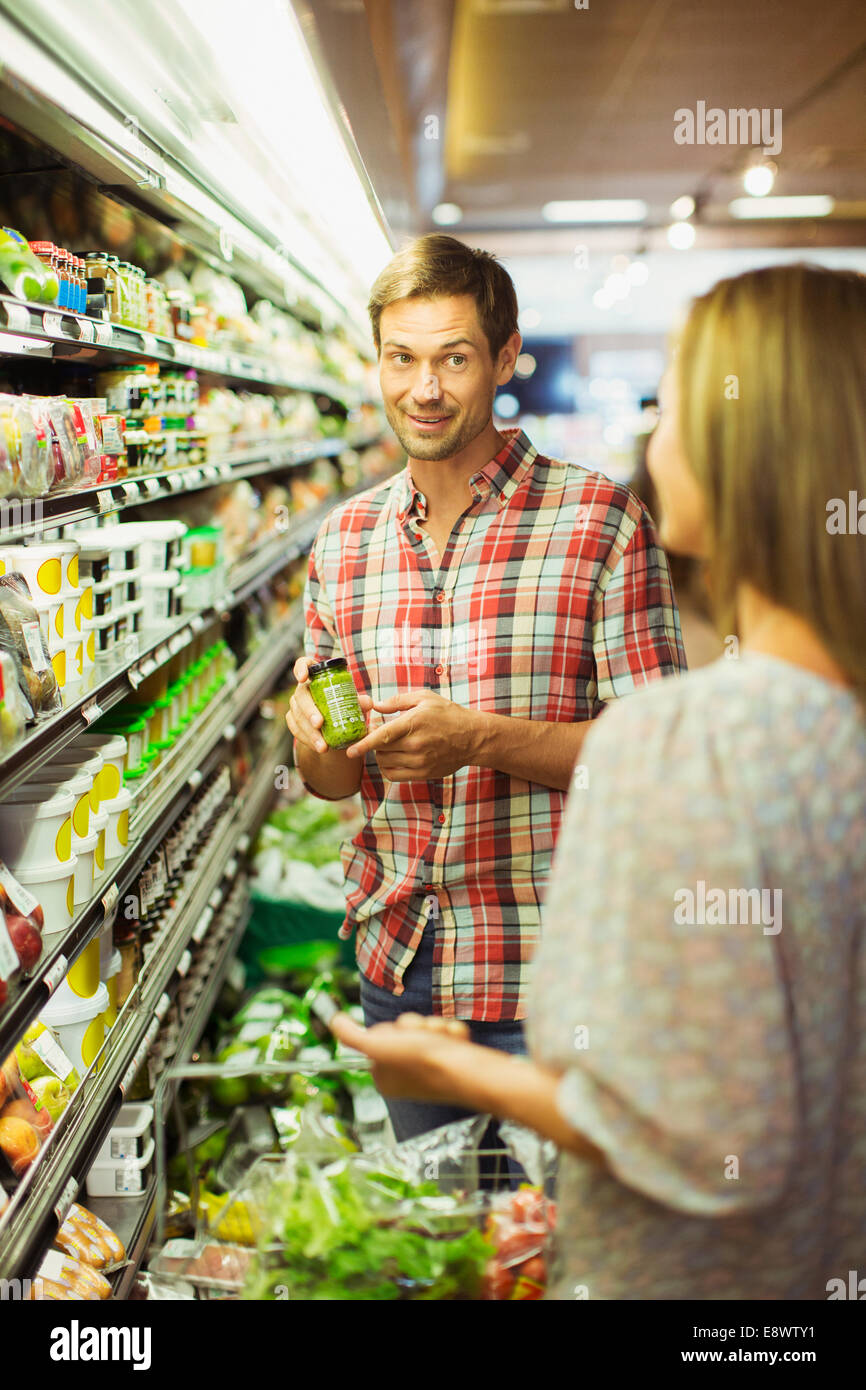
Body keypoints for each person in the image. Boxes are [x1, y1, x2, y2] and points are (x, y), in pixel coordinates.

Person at [329, 262, 866, 1299]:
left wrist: (457, 1074)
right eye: (402, 355)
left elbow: (698, 1135)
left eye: (677, 394)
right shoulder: (821, 728)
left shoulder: (683, 743)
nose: (654, 432)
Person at [287, 233, 686, 1142]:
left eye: (453, 358)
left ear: (504, 357)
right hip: (402, 974)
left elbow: (660, 765)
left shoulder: (599, 523)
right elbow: (334, 783)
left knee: (552, 1256)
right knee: (438, 1253)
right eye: (403, 358)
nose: (423, 389)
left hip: (553, 976)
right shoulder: (344, 545)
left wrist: (482, 740)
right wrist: (313, 742)